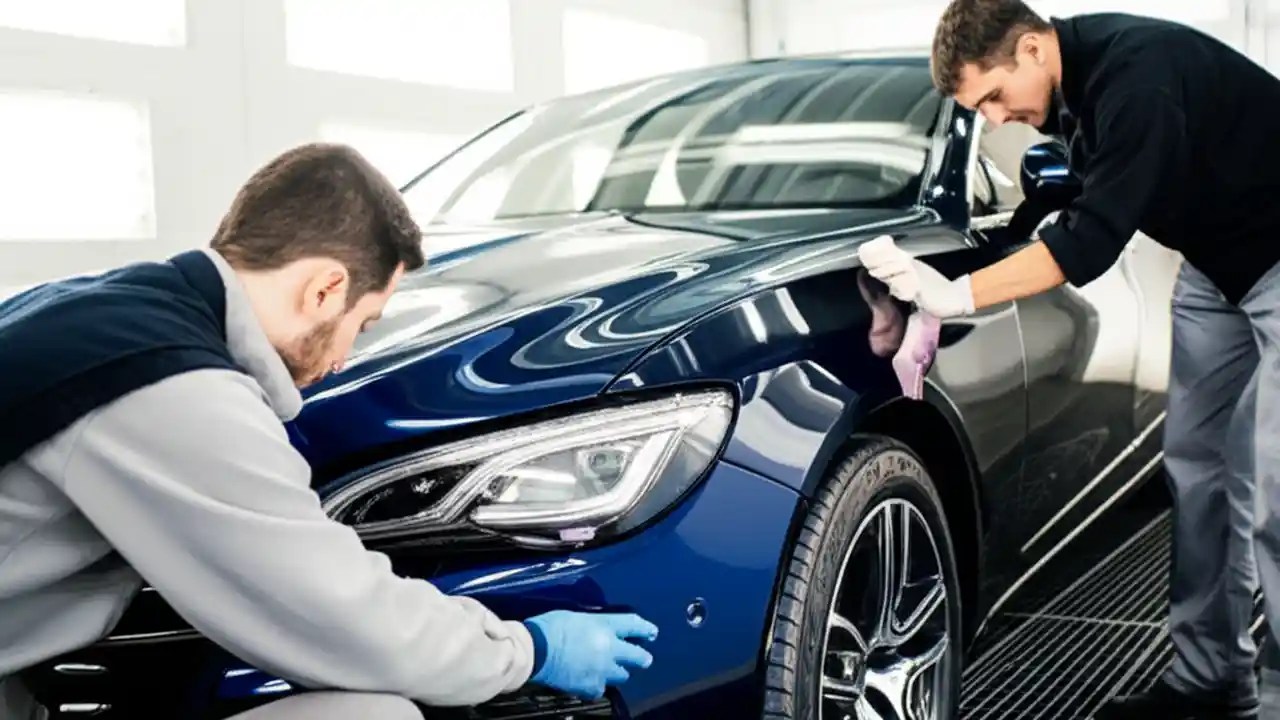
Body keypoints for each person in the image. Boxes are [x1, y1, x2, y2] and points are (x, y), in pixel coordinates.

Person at [0, 142, 657, 719]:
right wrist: (530, 649)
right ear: (324, 288)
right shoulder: (168, 389)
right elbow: (345, 623)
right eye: (364, 323)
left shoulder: (90, 309)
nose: (344, 357)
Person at [859, 2, 1280, 718]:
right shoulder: (1073, 92)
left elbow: (1088, 245)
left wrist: (955, 294)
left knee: (1273, 476)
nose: (992, 118)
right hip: (1218, 266)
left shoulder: (1137, 76)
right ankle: (1212, 680)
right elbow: (1076, 199)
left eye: (992, 96)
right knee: (1197, 465)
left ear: (1031, 48)